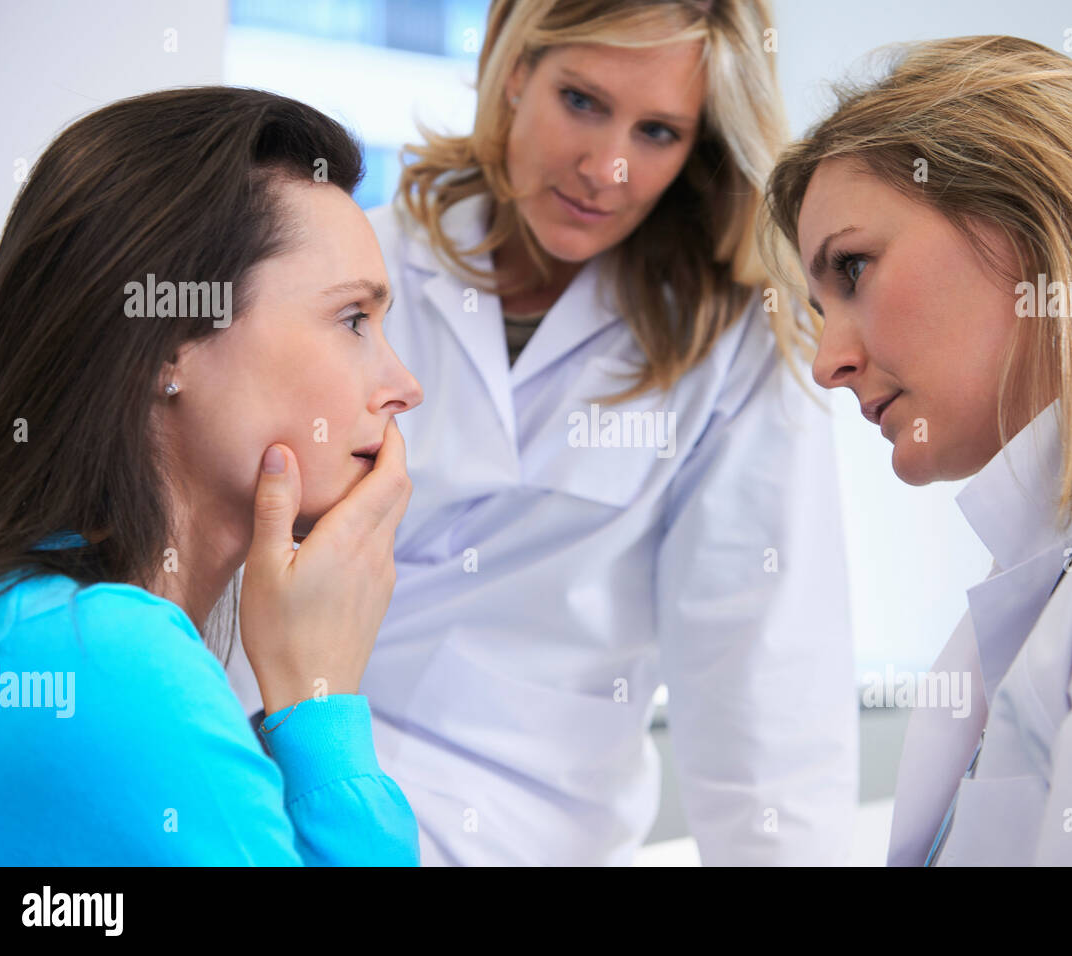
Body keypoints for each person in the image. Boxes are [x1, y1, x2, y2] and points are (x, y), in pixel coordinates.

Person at [230, 0, 857, 866]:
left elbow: (766, 682)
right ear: (515, 68)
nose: (608, 168)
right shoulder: (361, 265)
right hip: (277, 771)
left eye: (660, 132)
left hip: (529, 827)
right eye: (584, 102)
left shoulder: (735, 349)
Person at [763, 34, 1072, 865]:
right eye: (817, 310)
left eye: (853, 269)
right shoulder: (1070, 545)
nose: (827, 362)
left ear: (1032, 225)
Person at [0, 87, 425, 865]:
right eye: (353, 319)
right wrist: (322, 710)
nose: (403, 385)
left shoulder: (39, 627)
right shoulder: (107, 661)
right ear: (171, 343)